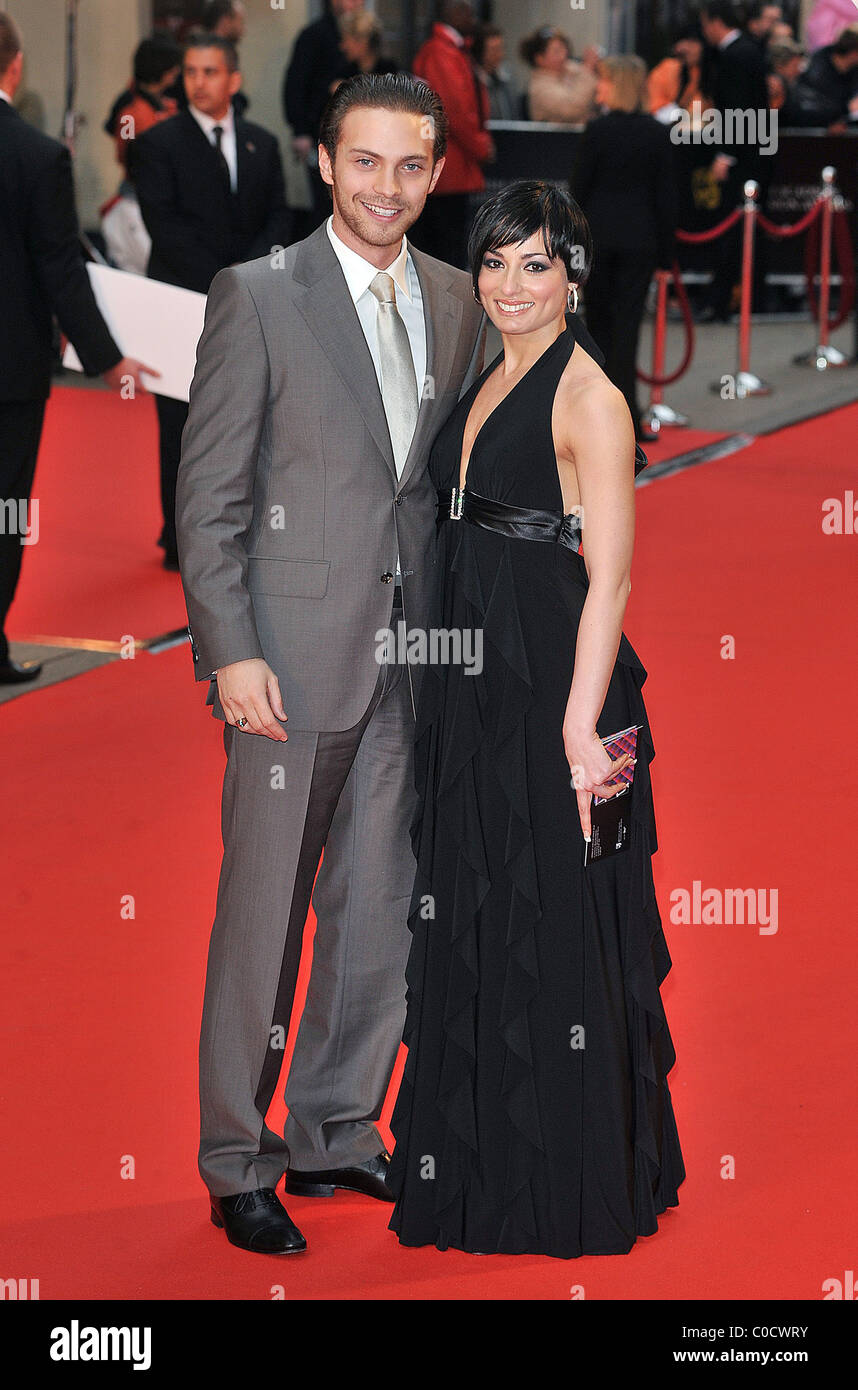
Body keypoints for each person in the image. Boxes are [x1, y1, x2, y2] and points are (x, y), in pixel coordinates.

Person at [175, 71, 487, 1256]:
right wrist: (230, 651)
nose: (388, 188)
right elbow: (207, 502)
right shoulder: (257, 297)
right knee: (265, 920)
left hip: (411, 662)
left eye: (412, 165)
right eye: (366, 162)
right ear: (323, 162)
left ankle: (336, 1127)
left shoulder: (458, 301)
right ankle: (235, 1157)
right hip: (286, 669)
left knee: (377, 913)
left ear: (437, 171)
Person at [386, 179, 684, 1258]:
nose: (512, 285)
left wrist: (577, 728)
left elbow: (608, 581)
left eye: (537, 264)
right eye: (496, 262)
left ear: (574, 276)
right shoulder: (488, 372)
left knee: (556, 918)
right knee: (475, 907)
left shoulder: (589, 395)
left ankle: (562, 1184)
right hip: (476, 684)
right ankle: (475, 1172)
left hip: (558, 685)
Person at [0, 14, 154, 685]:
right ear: (16, 64)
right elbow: (59, 268)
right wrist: (108, 357)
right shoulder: (36, 156)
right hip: (10, 370)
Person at [133, 32, 292, 570]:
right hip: (181, 303)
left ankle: (244, 529)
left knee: (250, 416)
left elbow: (278, 218)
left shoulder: (261, 143)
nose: (198, 82)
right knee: (182, 423)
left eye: (209, 72)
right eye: (191, 72)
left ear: (233, 80)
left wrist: (248, 281)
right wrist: (229, 281)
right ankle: (179, 541)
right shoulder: (157, 144)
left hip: (250, 305)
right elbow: (165, 226)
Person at [572, 55, 678, 444]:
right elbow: (666, 198)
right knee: (628, 329)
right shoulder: (655, 132)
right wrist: (667, 256)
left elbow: (578, 191)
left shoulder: (597, 131)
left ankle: (595, 419)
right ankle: (625, 420)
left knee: (597, 326)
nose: (598, 88)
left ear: (616, 85)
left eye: (603, 82)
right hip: (640, 241)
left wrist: (572, 248)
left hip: (598, 240)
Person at [697, 0, 772, 321]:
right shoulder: (746, 51)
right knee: (743, 233)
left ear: (715, 22)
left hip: (744, 161)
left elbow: (739, 112)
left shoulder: (737, 55)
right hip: (754, 156)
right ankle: (741, 298)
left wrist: (726, 155)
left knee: (734, 232)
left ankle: (724, 300)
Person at [410, 0, 494, 269]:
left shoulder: (452, 50)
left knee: (447, 251)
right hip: (449, 170)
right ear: (453, 13)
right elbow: (455, 112)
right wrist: (481, 145)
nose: (473, 17)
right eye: (468, 11)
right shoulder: (441, 53)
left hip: (452, 167)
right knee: (446, 253)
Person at [283, 0, 361, 234]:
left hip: (354, 136)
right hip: (320, 132)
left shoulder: (362, 35)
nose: (354, 3)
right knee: (324, 203)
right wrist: (301, 131)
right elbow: (295, 84)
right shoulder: (313, 35)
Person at [104, 35, 182, 170]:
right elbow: (124, 154)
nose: (177, 70)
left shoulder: (166, 101)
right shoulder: (129, 113)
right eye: (172, 65)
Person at [520, 27, 597, 124]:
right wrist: (588, 69)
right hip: (557, 138)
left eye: (564, 49)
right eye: (556, 51)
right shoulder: (539, 87)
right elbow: (571, 108)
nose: (563, 55)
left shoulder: (569, 70)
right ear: (539, 58)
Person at [472, 24, 519, 122]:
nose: (500, 54)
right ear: (480, 52)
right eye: (494, 50)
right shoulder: (472, 80)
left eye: (501, 48)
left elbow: (514, 113)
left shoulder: (507, 75)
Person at [337, 11, 399, 81]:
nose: (342, 47)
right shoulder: (345, 71)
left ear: (362, 42)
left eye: (346, 40)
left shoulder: (389, 71)